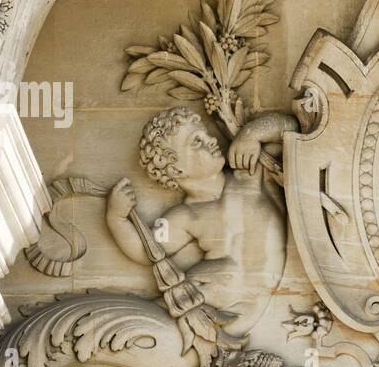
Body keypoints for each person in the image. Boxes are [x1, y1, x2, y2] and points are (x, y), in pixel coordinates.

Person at [106, 105, 297, 336]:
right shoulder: (185, 216)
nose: (212, 140)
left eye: (205, 133)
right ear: (176, 168)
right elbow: (145, 250)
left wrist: (252, 133)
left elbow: (291, 128)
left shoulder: (248, 172)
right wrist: (117, 218)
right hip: (209, 307)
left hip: (254, 302)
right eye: (196, 141)